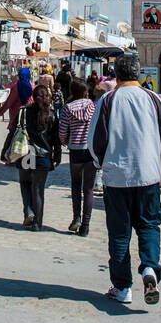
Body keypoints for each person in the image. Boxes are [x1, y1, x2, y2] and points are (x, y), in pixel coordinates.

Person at [87, 53, 161, 305]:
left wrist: (101, 163)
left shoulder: (108, 99)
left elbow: (95, 140)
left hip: (117, 178)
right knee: (149, 225)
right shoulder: (153, 99)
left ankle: (122, 286)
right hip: (148, 175)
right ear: (138, 73)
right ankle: (149, 269)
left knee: (119, 233)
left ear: (116, 73)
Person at [15, 85, 61, 230]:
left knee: (25, 183)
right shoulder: (52, 115)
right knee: (38, 189)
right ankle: (37, 223)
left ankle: (28, 211)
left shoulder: (24, 112)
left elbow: (12, 132)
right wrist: (57, 156)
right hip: (43, 157)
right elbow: (56, 139)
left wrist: (5, 152)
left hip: (26, 154)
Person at [59, 77, 97, 235]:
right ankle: (86, 225)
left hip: (75, 149)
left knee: (75, 185)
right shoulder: (93, 106)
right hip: (90, 150)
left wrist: (65, 141)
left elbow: (62, 130)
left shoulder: (67, 108)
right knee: (88, 188)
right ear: (86, 91)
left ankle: (76, 218)